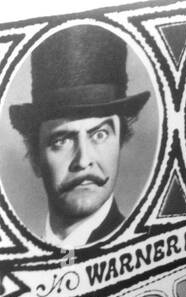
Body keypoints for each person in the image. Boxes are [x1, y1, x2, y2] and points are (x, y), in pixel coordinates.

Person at [9, 25, 150, 248]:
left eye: (100, 135)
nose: (83, 161)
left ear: (120, 142)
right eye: (61, 141)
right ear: (36, 158)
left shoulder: (142, 249)